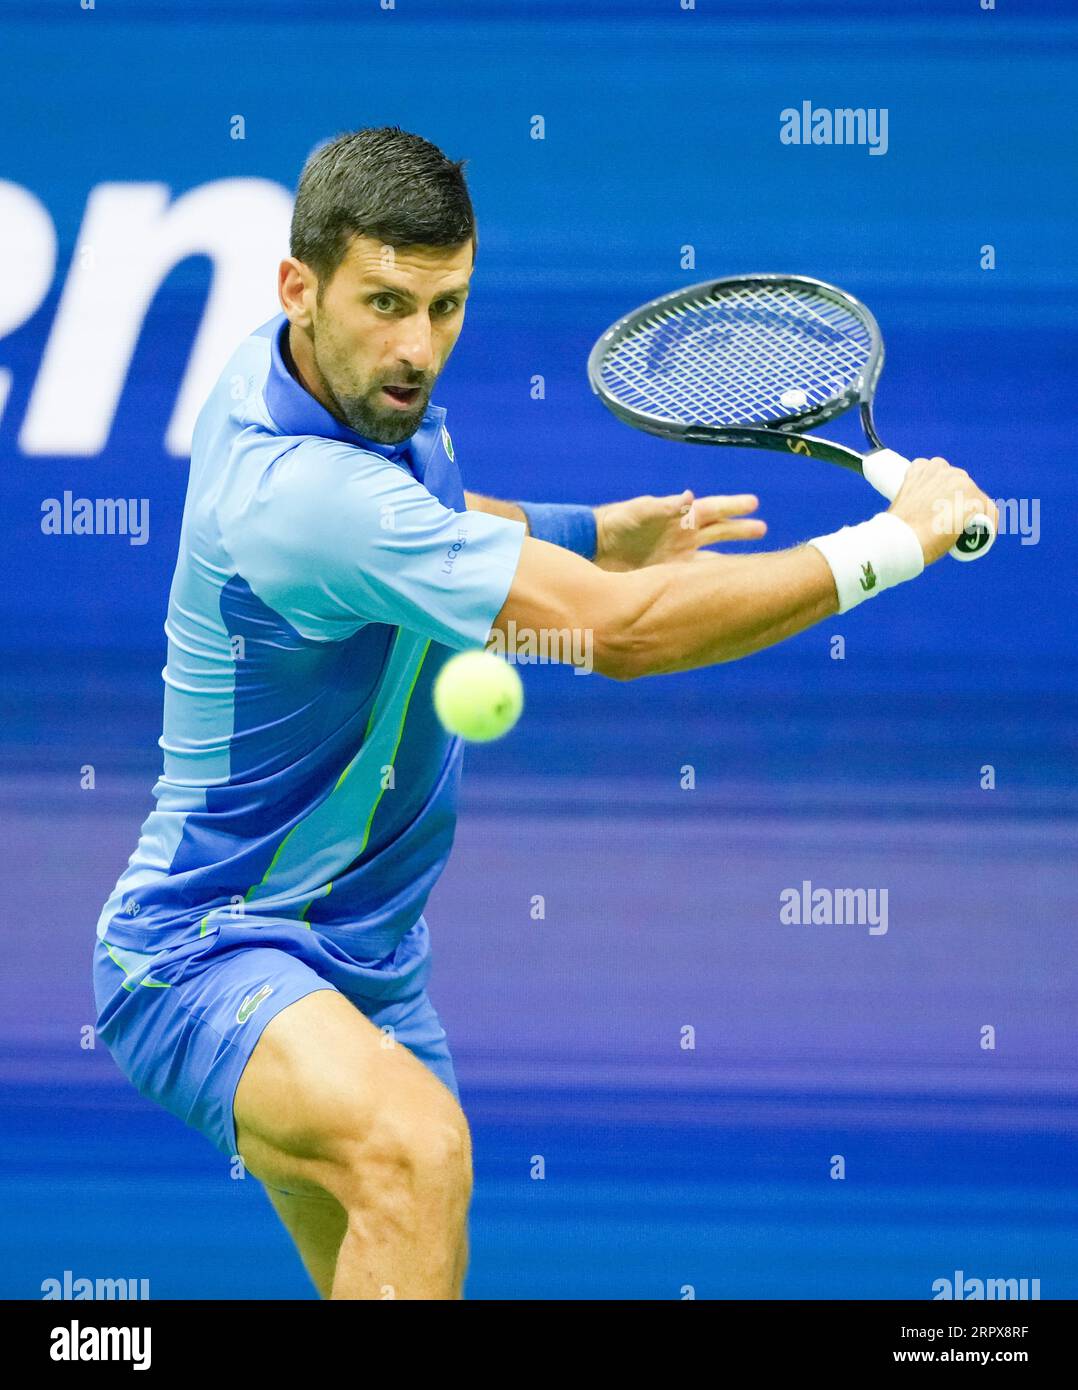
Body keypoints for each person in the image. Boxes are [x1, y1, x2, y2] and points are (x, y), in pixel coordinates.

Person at [93, 125, 997, 1300]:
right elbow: (615, 634)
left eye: (448, 305)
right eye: (385, 303)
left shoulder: (320, 380)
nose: (418, 349)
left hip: (365, 950)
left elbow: (426, 511)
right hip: (207, 943)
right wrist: (893, 542)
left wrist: (588, 532)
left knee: (405, 1213)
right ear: (296, 288)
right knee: (416, 1154)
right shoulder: (298, 496)